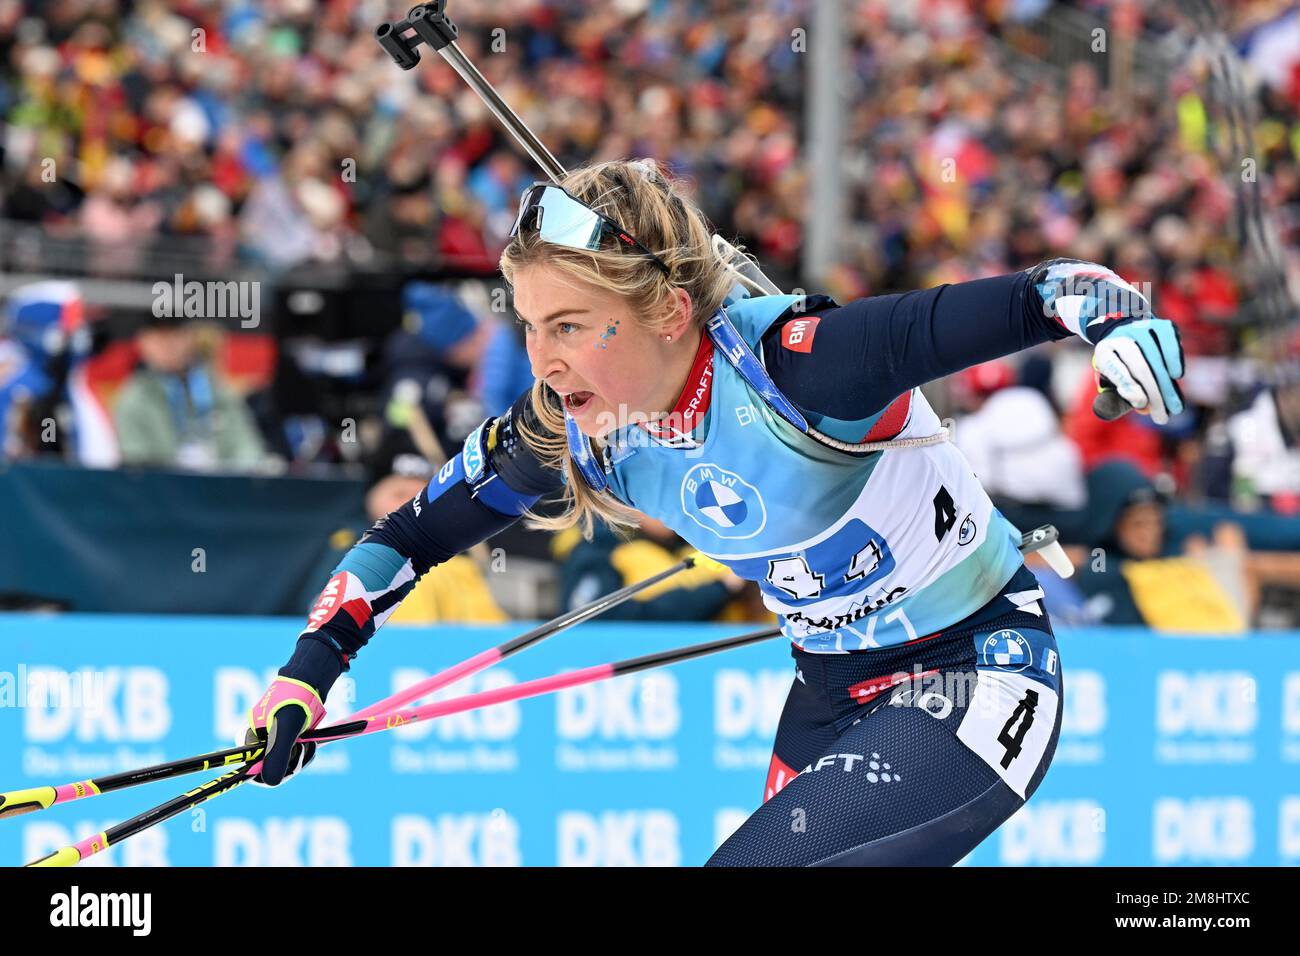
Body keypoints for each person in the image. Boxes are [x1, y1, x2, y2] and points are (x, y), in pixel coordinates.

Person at [245, 159, 1186, 866]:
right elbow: (407, 537)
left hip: (973, 674)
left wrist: (1118, 321)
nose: (543, 361)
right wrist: (305, 677)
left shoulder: (802, 368)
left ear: (668, 312)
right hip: (829, 699)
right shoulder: (570, 428)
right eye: (529, 326)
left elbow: (1047, 293)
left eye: (567, 325)